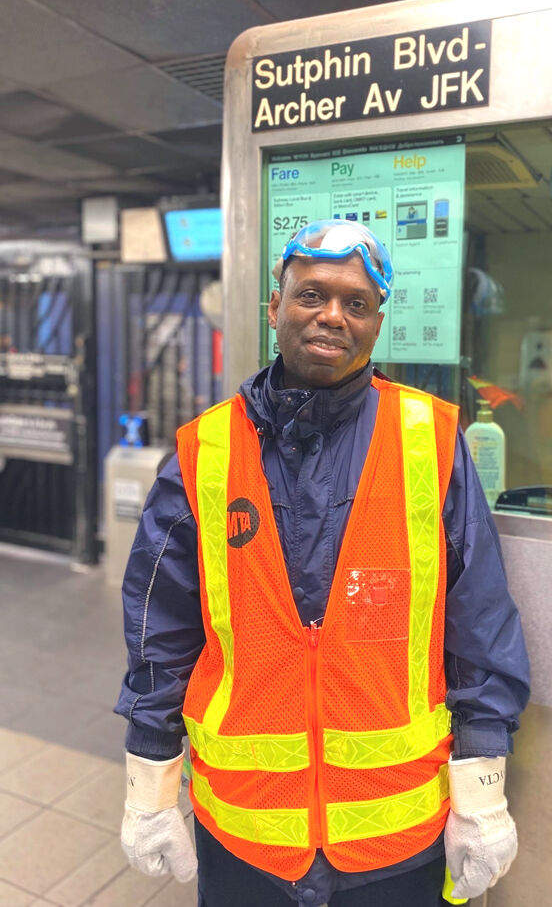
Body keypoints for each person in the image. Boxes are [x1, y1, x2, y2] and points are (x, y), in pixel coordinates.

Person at [115, 219, 530, 907]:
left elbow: (478, 623)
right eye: (311, 295)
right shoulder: (203, 452)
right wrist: (149, 787)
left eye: (356, 303)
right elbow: (159, 632)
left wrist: (481, 796)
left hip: (395, 839)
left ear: (376, 323)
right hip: (246, 837)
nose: (332, 315)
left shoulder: (430, 441)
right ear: (273, 308)